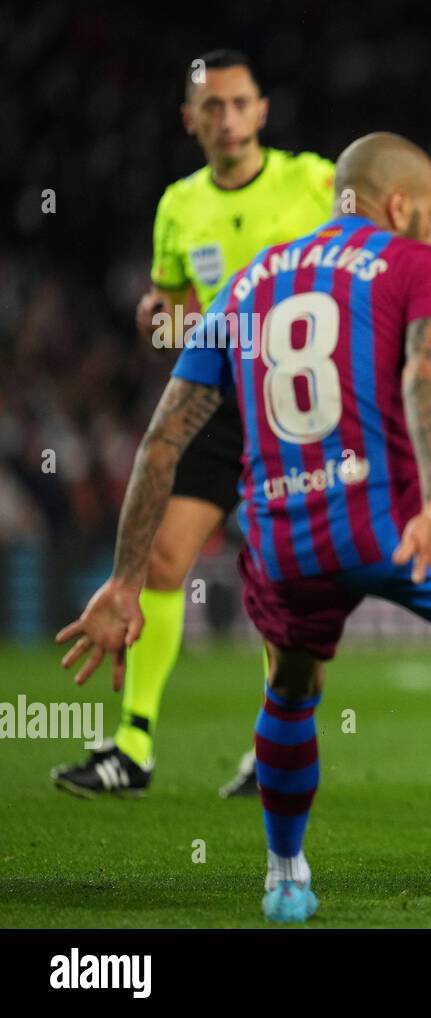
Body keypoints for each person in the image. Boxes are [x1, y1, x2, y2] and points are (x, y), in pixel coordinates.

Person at [56, 131, 431, 923]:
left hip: (281, 537)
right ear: (398, 205)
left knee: (291, 689)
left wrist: (125, 577)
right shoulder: (419, 265)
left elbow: (163, 438)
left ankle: (285, 876)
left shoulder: (243, 288)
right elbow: (425, 376)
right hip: (393, 519)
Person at [52, 49, 335, 799]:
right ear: (190, 119)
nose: (229, 118)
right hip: (218, 397)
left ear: (262, 110)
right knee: (162, 560)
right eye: (212, 106)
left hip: (297, 410)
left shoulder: (312, 179)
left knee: (281, 581)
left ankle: (275, 746)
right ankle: (133, 746)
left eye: (240, 103)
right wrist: (155, 318)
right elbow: (170, 318)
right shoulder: (179, 204)